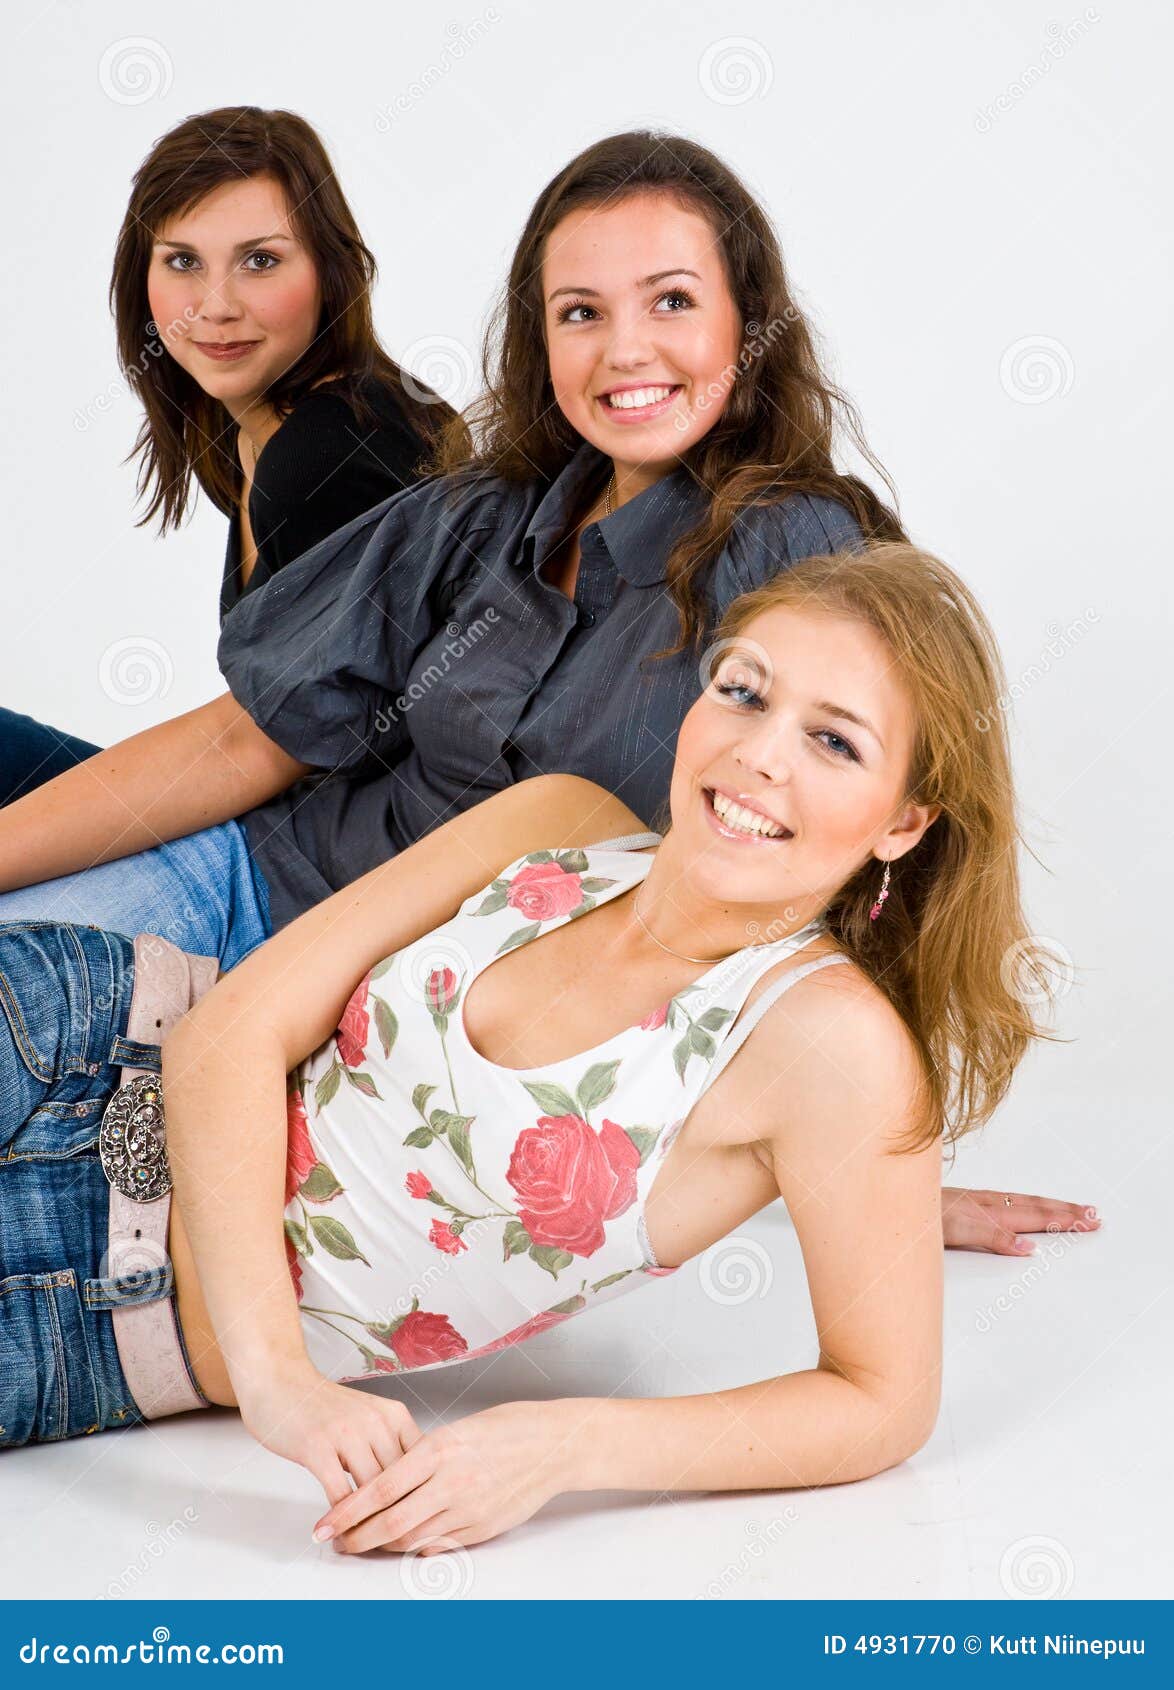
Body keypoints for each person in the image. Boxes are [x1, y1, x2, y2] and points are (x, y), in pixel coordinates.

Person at [0, 131, 1090, 1252]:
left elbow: (829, 856)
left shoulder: (791, 545)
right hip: (248, 893)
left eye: (670, 301)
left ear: (744, 323)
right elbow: (245, 742)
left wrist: (848, 1163)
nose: (625, 350)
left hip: (407, 1050)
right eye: (580, 312)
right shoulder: (489, 510)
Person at [0, 544, 1098, 1565]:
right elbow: (228, 1030)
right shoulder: (559, 823)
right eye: (744, 690)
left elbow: (881, 1398)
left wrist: (560, 1446)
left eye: (833, 740)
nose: (758, 754)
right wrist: (279, 1378)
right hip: (72, 1043)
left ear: (902, 822)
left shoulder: (827, 1048)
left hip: (94, 1336)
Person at [0, 104, 450, 807]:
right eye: (183, 261)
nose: (213, 306)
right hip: (270, 820)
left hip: (306, 863)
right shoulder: (255, 429)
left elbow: (270, 750)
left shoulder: (328, 454)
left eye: (260, 261)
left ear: (331, 270)